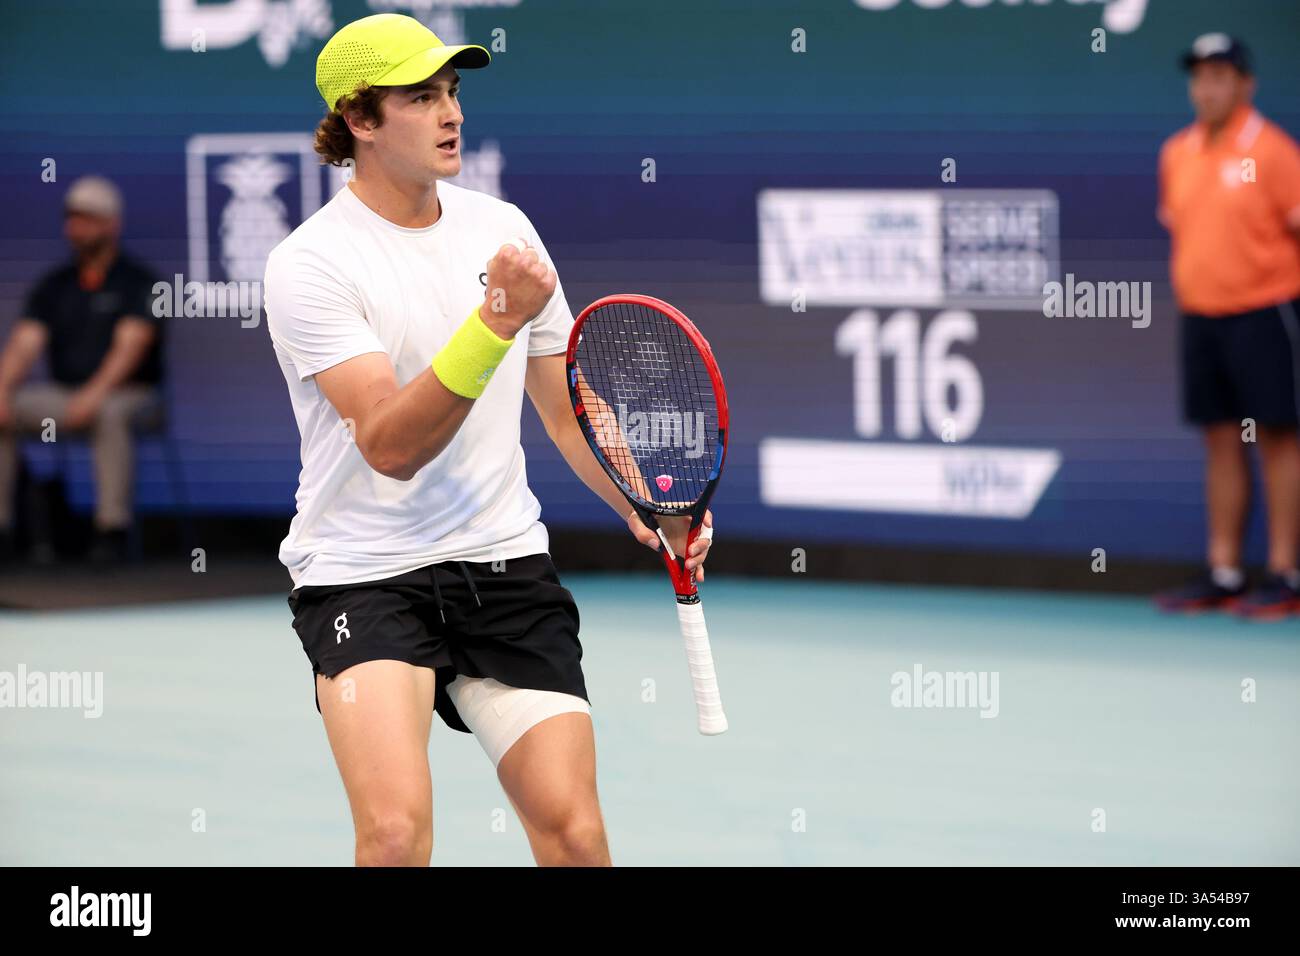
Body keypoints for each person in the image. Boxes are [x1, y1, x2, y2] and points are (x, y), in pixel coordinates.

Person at [265, 14, 714, 867]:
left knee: (575, 835)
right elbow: (391, 444)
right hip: (365, 577)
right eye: (422, 96)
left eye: (454, 92)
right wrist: (495, 318)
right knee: (395, 837)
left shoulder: (502, 228)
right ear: (360, 120)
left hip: (502, 565)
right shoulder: (310, 264)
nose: (451, 113)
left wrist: (648, 508)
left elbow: (565, 406)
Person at [1154, 34, 1300, 620]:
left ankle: (1286, 571)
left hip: (1265, 312)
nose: (1208, 88)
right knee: (1220, 437)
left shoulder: (1272, 152)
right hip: (1201, 317)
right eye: (1200, 77)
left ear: (1245, 85)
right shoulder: (1176, 153)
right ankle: (1225, 570)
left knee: (1278, 440)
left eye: (1220, 76)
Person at [0, 176, 165, 564]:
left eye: (89, 219)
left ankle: (111, 531)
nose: (78, 227)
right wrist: (2, 390)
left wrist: (92, 396)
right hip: (64, 395)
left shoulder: (137, 282)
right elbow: (24, 345)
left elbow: (130, 349)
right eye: (73, 219)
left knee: (108, 413)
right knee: (3, 411)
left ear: (112, 224)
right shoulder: (54, 286)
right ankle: (4, 531)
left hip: (133, 396)